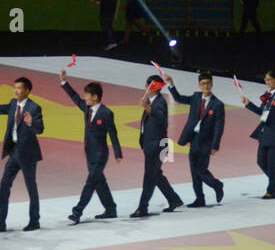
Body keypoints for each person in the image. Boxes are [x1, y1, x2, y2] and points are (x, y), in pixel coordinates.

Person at [0, 76, 43, 232]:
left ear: (27, 91)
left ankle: (34, 221)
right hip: (14, 152)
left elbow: (40, 129)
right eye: (14, 87)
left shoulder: (34, 108)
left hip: (28, 154)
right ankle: (0, 223)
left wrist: (31, 123)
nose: (15, 90)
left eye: (19, 88)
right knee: (4, 185)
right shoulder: (12, 104)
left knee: (31, 187)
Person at [60, 71, 122, 223]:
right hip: (89, 153)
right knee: (99, 182)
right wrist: (64, 83)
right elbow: (75, 97)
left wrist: (117, 153)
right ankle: (110, 209)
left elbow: (113, 134)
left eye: (87, 95)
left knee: (90, 182)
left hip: (101, 154)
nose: (85, 97)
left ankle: (77, 211)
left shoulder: (106, 113)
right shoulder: (87, 109)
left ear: (95, 97)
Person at [166, 69, 225, 206]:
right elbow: (178, 98)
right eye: (203, 83)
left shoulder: (217, 105)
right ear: (199, 85)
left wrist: (215, 145)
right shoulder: (196, 97)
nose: (206, 86)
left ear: (212, 84)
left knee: (200, 170)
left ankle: (217, 185)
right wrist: (171, 84)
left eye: (208, 83)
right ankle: (200, 199)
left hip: (206, 142)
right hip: (193, 140)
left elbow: (219, 127)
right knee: (194, 172)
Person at [132, 75, 183, 217]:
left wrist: (148, 109)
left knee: (149, 176)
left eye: (149, 86)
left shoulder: (160, 102)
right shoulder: (152, 101)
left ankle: (142, 208)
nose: (147, 88)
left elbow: (161, 119)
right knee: (156, 175)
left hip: (158, 144)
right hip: (151, 144)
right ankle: (174, 199)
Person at [242, 69, 275, 198]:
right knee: (261, 161)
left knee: (272, 162)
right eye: (266, 80)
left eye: (270, 80)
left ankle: (272, 189)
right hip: (264, 133)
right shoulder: (267, 95)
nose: (267, 82)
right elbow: (261, 112)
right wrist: (249, 104)